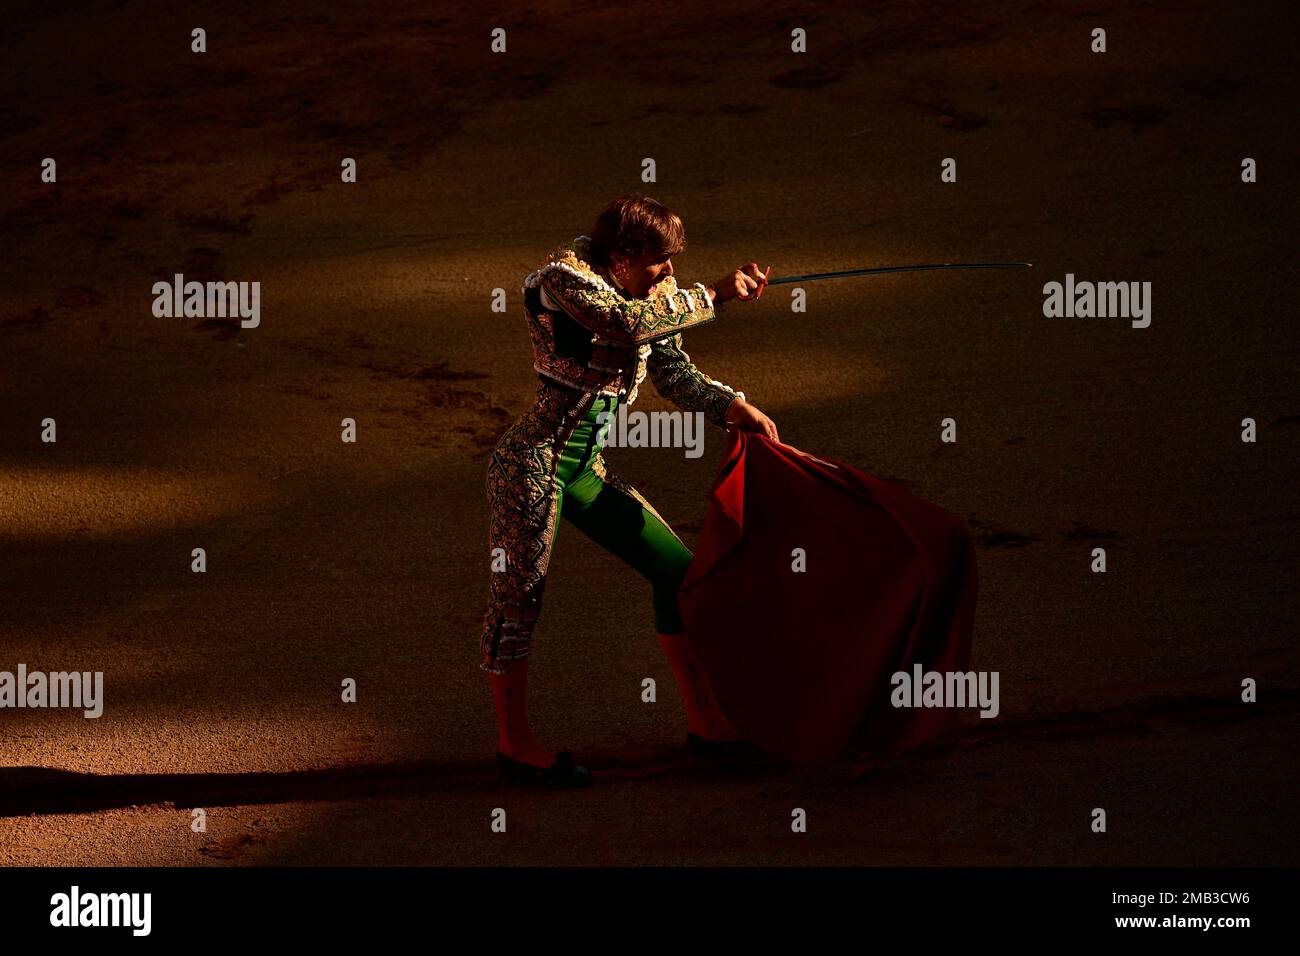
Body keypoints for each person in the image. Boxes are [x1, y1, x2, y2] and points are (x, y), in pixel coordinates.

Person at [480, 193, 776, 786]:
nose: (669, 273)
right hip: (531, 466)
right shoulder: (562, 279)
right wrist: (715, 295)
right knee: (519, 604)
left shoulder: (654, 293)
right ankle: (515, 748)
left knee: (681, 575)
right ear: (623, 256)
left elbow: (672, 371)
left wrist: (730, 404)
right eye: (660, 262)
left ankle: (708, 726)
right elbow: (622, 325)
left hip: (582, 468)